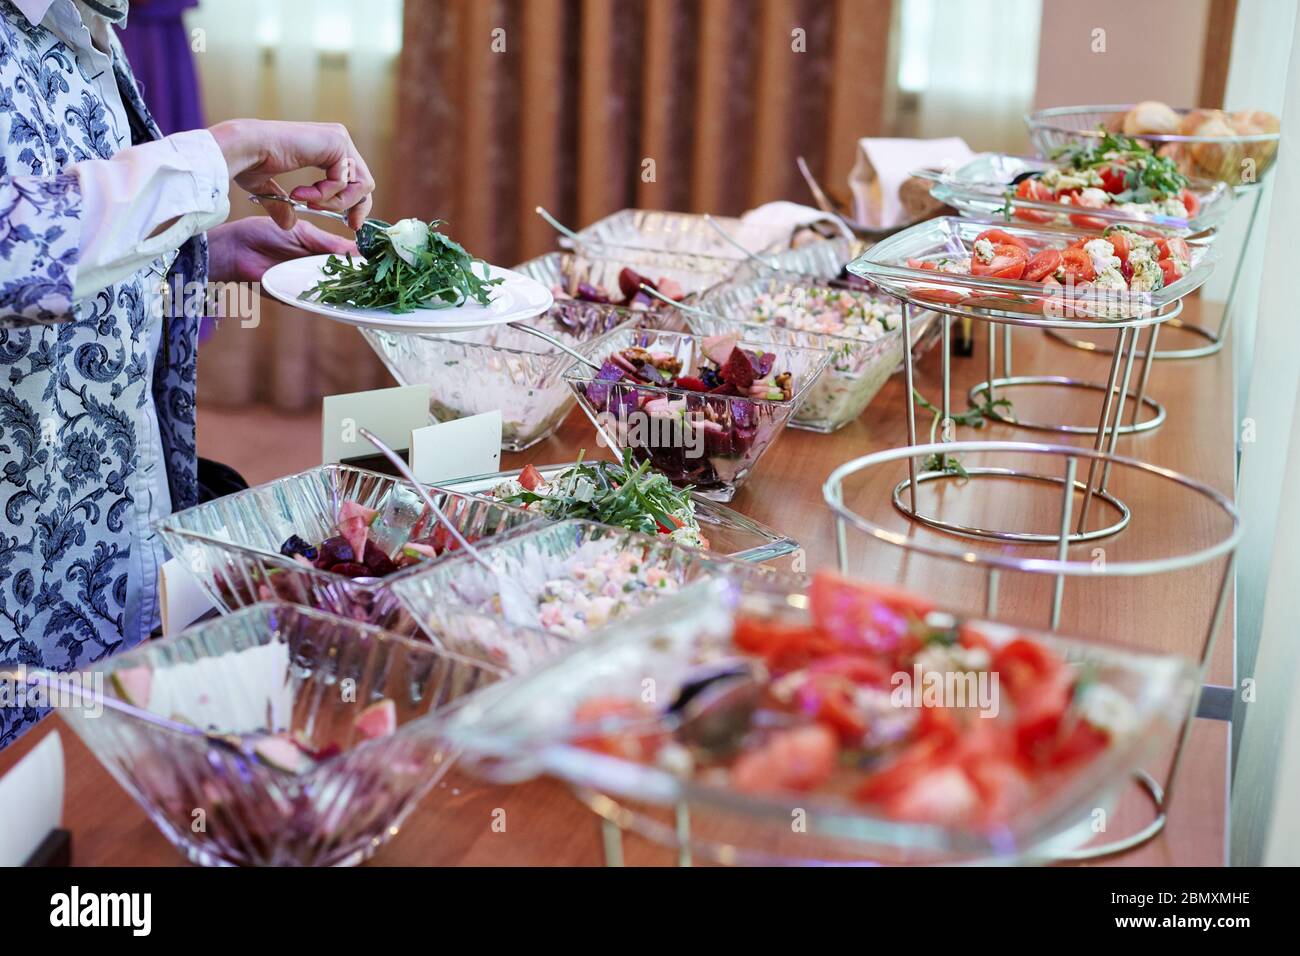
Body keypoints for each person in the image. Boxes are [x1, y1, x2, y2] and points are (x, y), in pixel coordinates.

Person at [0, 0, 376, 746]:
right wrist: (229, 147)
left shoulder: (83, 20)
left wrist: (196, 260)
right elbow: (16, 249)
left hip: (105, 535)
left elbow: (72, 246)